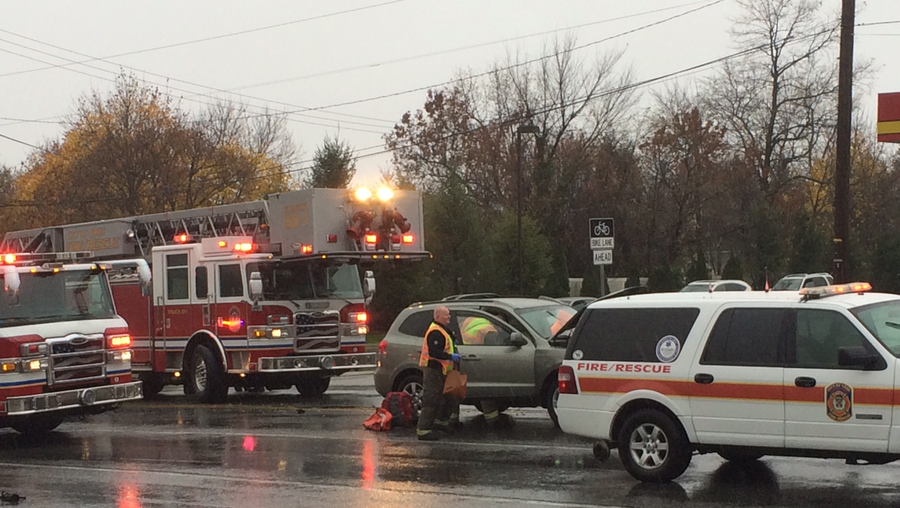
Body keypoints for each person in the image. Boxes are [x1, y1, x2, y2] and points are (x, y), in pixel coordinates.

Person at [416, 305, 462, 441]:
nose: (449, 317)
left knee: (444, 398)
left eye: (449, 314)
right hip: (433, 369)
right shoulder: (435, 332)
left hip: (442, 370)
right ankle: (423, 430)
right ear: (437, 317)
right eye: (446, 314)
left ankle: (440, 422)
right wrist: (450, 357)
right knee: (431, 399)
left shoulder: (443, 330)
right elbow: (434, 352)